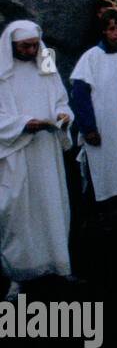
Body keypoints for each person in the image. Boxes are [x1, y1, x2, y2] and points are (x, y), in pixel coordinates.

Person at [0, 21, 73, 299]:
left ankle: (58, 264)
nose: (31, 51)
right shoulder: (2, 74)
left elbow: (61, 100)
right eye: (25, 46)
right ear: (11, 46)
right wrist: (22, 124)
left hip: (45, 151)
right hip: (16, 152)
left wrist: (64, 115)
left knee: (52, 206)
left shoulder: (46, 67)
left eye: (34, 45)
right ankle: (18, 275)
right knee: (17, 213)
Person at [69, 9, 117, 202]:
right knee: (106, 167)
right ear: (104, 31)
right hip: (103, 125)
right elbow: (79, 95)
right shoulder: (91, 57)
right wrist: (89, 128)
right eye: (112, 29)